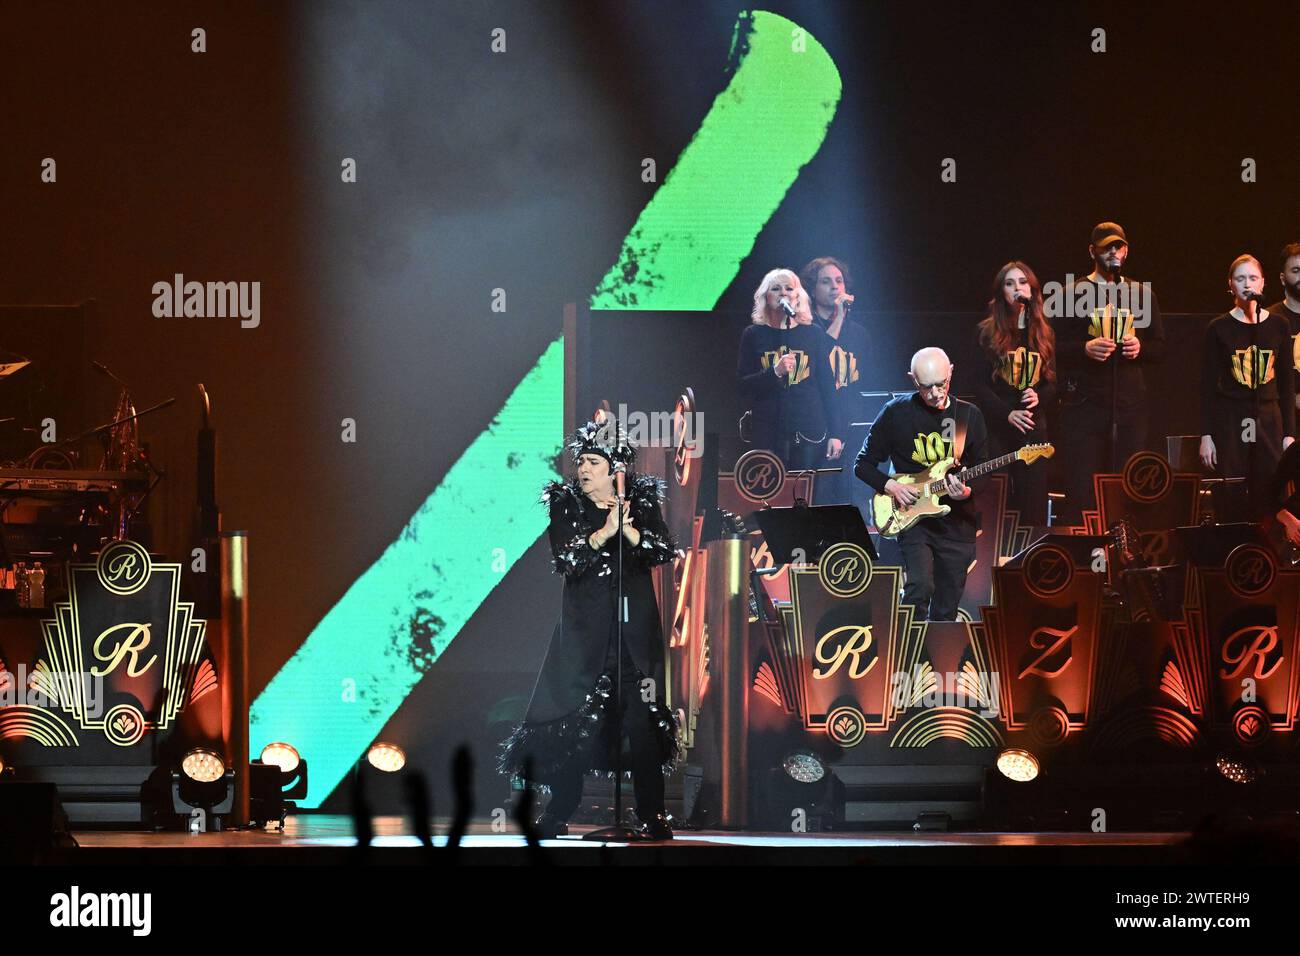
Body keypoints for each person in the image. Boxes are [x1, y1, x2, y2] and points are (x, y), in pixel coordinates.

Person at [498, 417, 682, 840]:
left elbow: (663, 550)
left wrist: (630, 533)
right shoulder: (566, 503)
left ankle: (652, 815)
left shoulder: (641, 501)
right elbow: (566, 558)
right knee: (574, 725)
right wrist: (604, 534)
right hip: (583, 635)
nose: (582, 469)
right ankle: (559, 810)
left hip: (632, 634)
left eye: (593, 461)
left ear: (616, 469)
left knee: (642, 722)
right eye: (580, 461)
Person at [854, 347, 988, 620]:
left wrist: (966, 492)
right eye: (927, 387)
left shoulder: (969, 415)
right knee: (919, 587)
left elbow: (982, 469)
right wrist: (891, 486)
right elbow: (863, 464)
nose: (936, 393)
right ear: (913, 380)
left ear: (951, 371)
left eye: (942, 384)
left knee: (947, 604)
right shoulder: (895, 413)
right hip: (915, 520)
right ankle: (908, 652)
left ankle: (935, 658)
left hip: (957, 522)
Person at [1050, 221, 1166, 523]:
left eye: (1118, 246)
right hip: (1085, 406)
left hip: (1129, 408)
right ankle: (1087, 554)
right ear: (1093, 251)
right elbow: (1049, 348)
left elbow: (1160, 347)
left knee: (1128, 484)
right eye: (1106, 247)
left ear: (1126, 251)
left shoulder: (1141, 294)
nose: (1113, 251)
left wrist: (1140, 347)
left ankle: (1126, 555)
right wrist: (1083, 349)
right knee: (1084, 488)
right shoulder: (1070, 294)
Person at [1199, 254, 1296, 514]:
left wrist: (1288, 433)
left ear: (1263, 283)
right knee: (1234, 485)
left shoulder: (1278, 325)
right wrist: (1206, 435)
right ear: (1230, 284)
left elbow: (1286, 383)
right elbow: (1207, 386)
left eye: (1253, 278)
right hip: (1232, 417)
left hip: (1267, 417)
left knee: (1269, 483)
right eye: (1240, 278)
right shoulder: (1219, 328)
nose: (1247, 284)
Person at [968, 261, 1056, 526]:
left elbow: (1053, 382)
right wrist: (1007, 414)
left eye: (1022, 282)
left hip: (1033, 425)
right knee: (999, 496)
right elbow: (977, 384)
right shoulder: (986, 332)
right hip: (998, 426)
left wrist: (1040, 396)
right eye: (1009, 283)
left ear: (1032, 290)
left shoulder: (1043, 332)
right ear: (1001, 293)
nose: (1016, 288)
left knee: (1034, 499)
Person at [737, 268, 845, 471]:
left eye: (789, 288)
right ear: (766, 297)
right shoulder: (753, 334)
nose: (783, 293)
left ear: (797, 296)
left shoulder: (813, 334)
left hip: (808, 430)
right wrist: (774, 372)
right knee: (771, 494)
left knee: (804, 494)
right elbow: (742, 385)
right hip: (768, 430)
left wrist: (836, 433)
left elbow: (827, 387)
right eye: (776, 289)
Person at [801, 256, 874, 503]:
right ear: (812, 289)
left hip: (851, 425)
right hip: (817, 428)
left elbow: (862, 384)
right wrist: (841, 315)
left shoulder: (859, 334)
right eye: (826, 281)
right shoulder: (806, 330)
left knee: (849, 497)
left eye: (839, 281)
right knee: (818, 497)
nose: (835, 286)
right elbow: (822, 350)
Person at [1264, 242, 1300, 414]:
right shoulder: (1269, 319)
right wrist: (1292, 399)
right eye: (1296, 271)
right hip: (1281, 423)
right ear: (1282, 278)